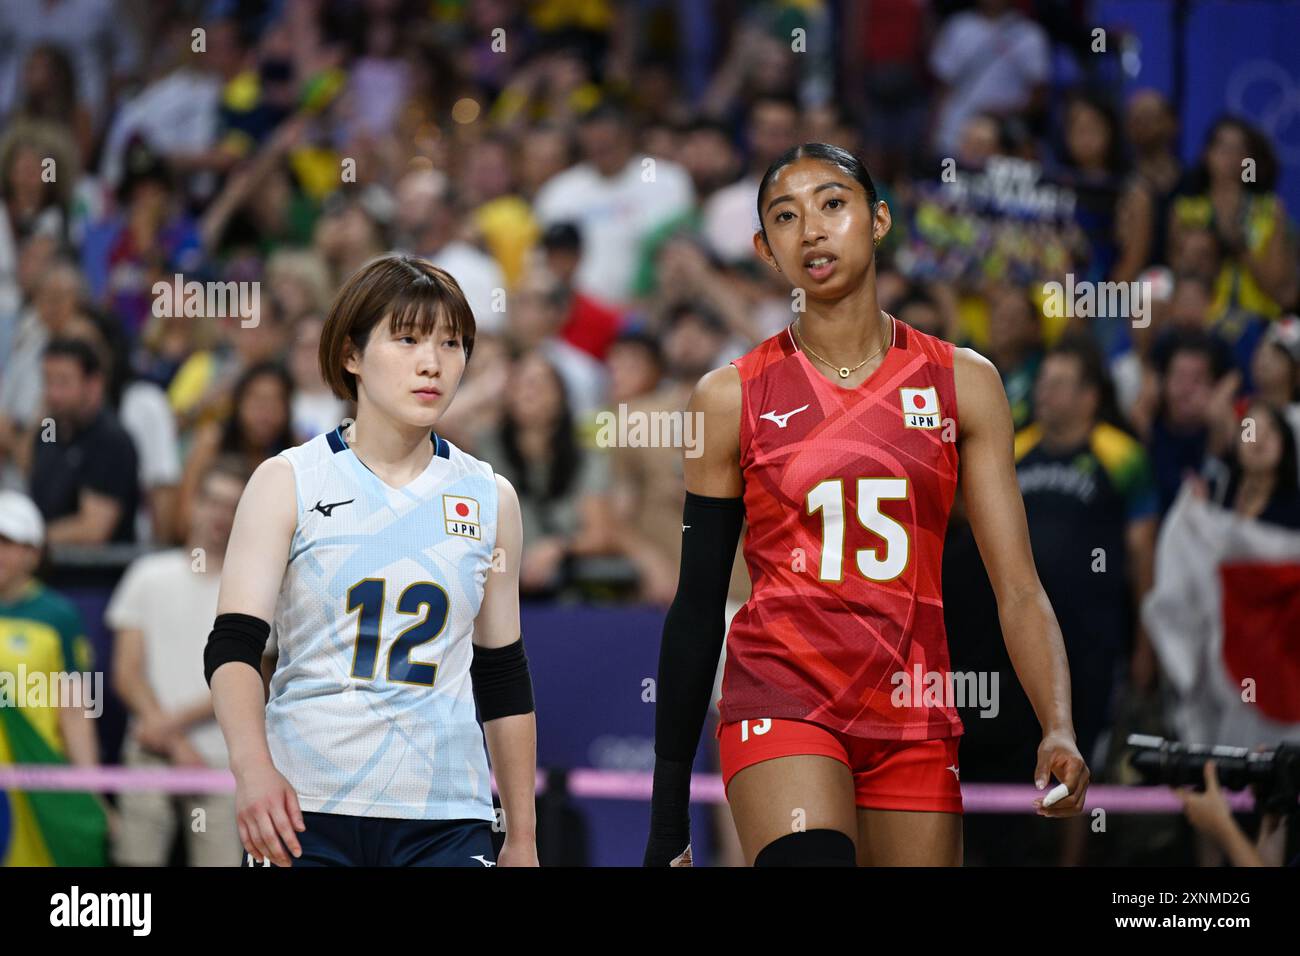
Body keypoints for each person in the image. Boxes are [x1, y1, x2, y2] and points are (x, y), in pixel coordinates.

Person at [644, 143, 1089, 867]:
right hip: (781, 698)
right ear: (765, 249)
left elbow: (1017, 587)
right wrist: (667, 824)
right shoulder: (727, 397)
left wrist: (1058, 725)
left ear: (878, 220)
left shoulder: (964, 383)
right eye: (785, 217)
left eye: (832, 204)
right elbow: (696, 608)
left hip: (913, 710)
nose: (811, 230)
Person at [204, 254, 538, 867]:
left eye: (452, 343)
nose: (433, 362)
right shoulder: (288, 480)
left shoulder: (492, 497)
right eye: (407, 339)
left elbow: (502, 674)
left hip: (446, 812)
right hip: (306, 803)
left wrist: (522, 836)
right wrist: (251, 769)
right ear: (351, 355)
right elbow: (232, 645)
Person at [107, 457, 251, 866]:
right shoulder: (148, 574)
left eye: (233, 506)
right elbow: (125, 674)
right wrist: (174, 742)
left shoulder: (255, 589)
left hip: (222, 757)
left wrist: (171, 732)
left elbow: (253, 678)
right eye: (213, 501)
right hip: (150, 750)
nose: (220, 515)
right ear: (195, 504)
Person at [27, 337, 140, 545]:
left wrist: (27, 539)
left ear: (94, 384)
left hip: (90, 573)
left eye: (63, 382)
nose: (52, 394)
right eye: (47, 381)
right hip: (45, 565)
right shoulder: (48, 430)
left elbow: (92, 530)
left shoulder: (111, 441)